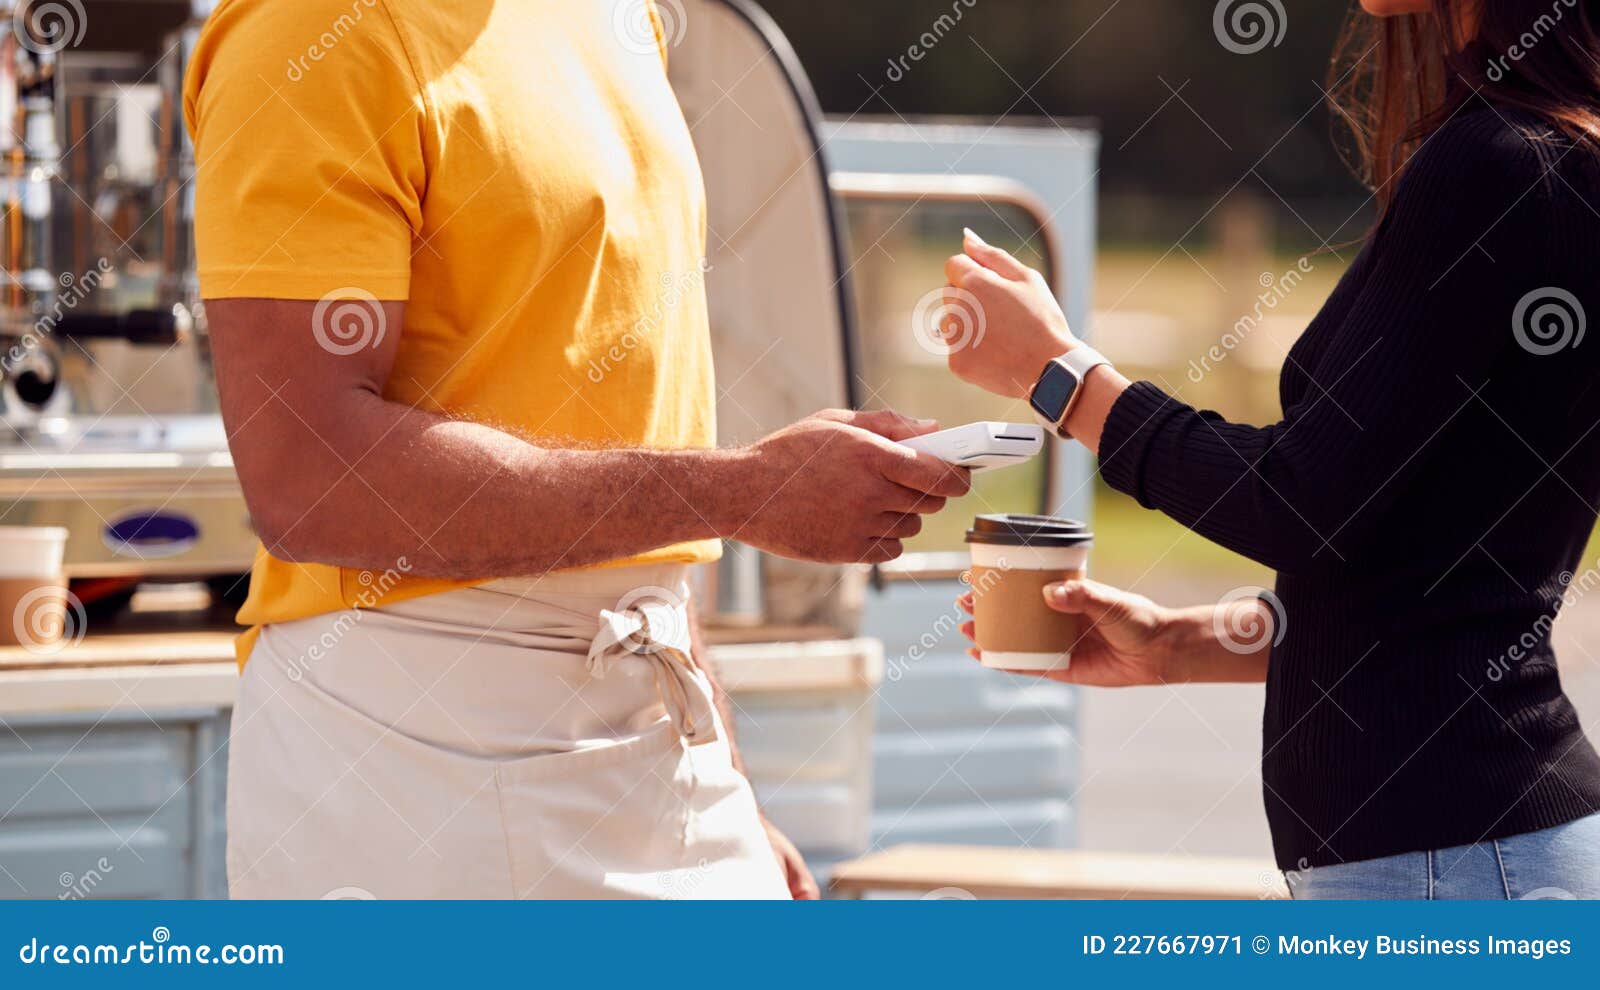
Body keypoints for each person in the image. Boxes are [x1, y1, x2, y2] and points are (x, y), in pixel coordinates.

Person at [187, 0, 968, 899]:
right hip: (417, 770)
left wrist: (730, 778)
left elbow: (640, 451)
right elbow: (309, 479)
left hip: (657, 733)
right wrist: (744, 492)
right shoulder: (307, 34)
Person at [943, 0, 1600, 899]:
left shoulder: (1495, 165)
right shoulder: (1542, 153)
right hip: (1471, 857)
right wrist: (1183, 643)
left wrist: (1061, 378)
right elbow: (1421, 560)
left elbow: (1302, 499)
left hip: (1454, 867)